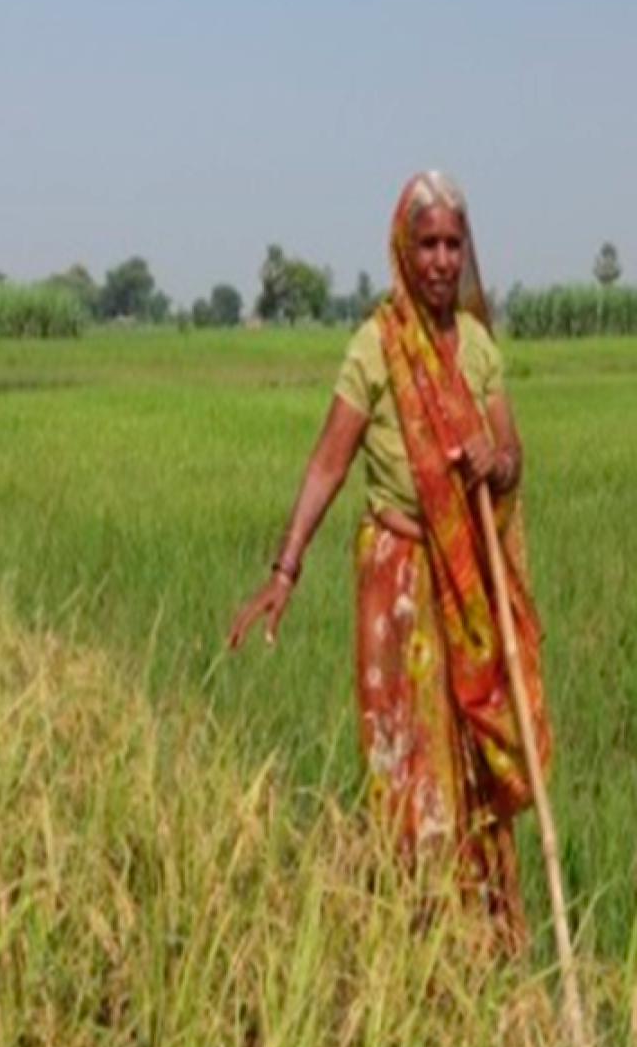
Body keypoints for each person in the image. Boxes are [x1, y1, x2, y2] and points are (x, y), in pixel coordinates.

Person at [227, 171, 548, 942]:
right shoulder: (377, 346)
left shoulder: (476, 348)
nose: (440, 259)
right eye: (427, 243)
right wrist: (284, 569)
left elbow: (513, 455)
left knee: (471, 757)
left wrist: (491, 457)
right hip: (398, 581)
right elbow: (328, 464)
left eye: (451, 243)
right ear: (404, 250)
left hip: (465, 579)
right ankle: (411, 927)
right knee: (406, 759)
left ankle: (478, 932)